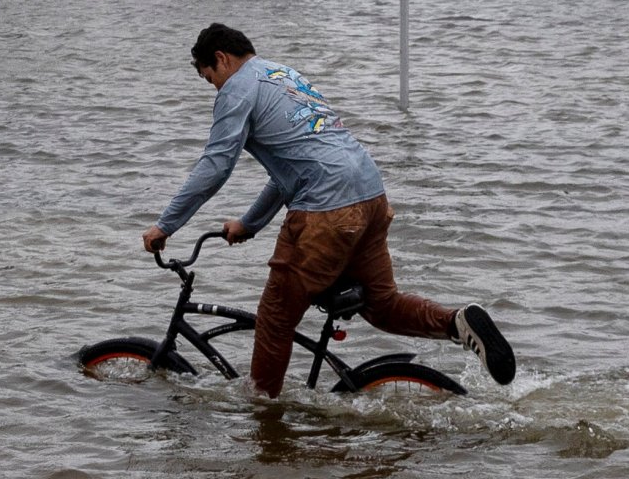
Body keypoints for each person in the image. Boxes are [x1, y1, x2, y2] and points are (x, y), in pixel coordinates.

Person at [141, 23, 513, 396]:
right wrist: (250, 223)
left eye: (210, 79)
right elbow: (291, 171)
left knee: (275, 320)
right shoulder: (284, 76)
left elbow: (216, 165)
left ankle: (265, 421)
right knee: (381, 304)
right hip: (369, 195)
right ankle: (457, 322)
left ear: (221, 59)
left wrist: (165, 226)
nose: (215, 88)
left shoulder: (237, 88)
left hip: (325, 209)